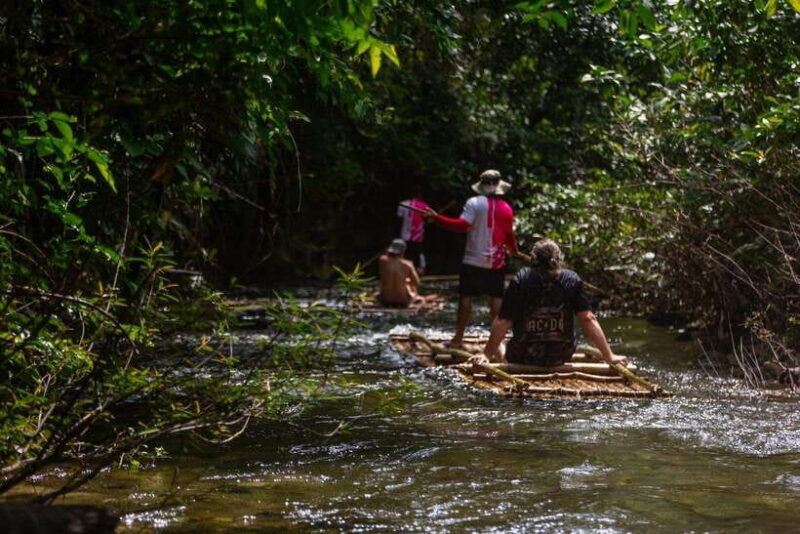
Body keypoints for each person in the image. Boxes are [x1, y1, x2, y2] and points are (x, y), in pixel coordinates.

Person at [471, 238, 628, 368]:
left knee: (502, 344)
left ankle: (499, 354)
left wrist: (486, 354)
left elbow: (503, 321)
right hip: (560, 356)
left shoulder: (521, 279)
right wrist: (609, 356)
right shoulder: (572, 280)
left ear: (534, 259)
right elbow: (588, 319)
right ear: (558, 259)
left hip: (524, 356)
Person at [425, 169, 517, 347]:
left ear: (482, 185)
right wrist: (513, 250)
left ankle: (458, 338)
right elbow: (509, 236)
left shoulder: (474, 203)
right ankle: (498, 342)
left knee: (466, 297)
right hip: (496, 261)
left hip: (473, 259)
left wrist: (437, 218)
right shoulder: (506, 208)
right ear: (499, 186)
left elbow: (461, 226)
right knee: (496, 297)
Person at [378, 239, 424, 307]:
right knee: (411, 287)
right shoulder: (408, 265)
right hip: (403, 300)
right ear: (403, 251)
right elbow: (416, 283)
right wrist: (407, 281)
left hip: (385, 299)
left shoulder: (382, 261)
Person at [397, 191, 430, 274]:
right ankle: (418, 271)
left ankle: (404, 271)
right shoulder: (425, 206)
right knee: (418, 254)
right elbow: (428, 219)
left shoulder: (403, 204)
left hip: (405, 234)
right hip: (418, 235)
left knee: (405, 254)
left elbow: (399, 219)